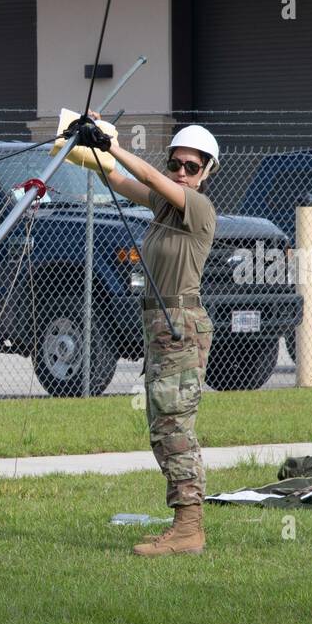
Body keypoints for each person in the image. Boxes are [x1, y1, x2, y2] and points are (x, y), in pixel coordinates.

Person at [74, 117, 220, 555]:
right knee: (163, 426)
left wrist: (114, 144)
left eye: (191, 167)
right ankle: (184, 525)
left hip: (180, 326)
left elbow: (148, 176)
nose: (180, 172)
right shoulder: (163, 207)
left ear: (207, 172)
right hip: (161, 328)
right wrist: (87, 145)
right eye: (175, 163)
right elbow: (120, 180)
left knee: (175, 426)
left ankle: (189, 529)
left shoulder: (199, 209)